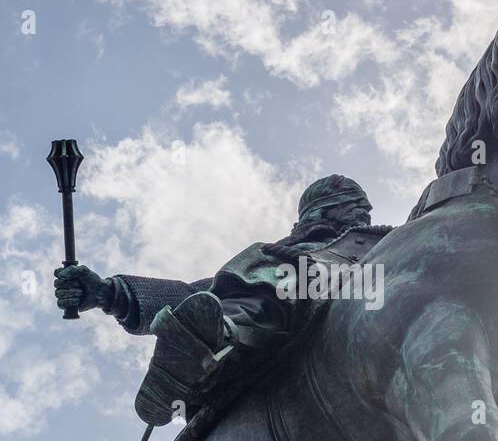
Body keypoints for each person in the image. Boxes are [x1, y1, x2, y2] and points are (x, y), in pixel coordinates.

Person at [54, 175, 373, 427]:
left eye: (365, 209)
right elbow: (198, 297)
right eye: (351, 207)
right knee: (279, 278)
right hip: (281, 332)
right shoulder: (282, 258)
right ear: (323, 213)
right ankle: (206, 350)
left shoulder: (388, 246)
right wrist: (109, 294)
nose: (364, 215)